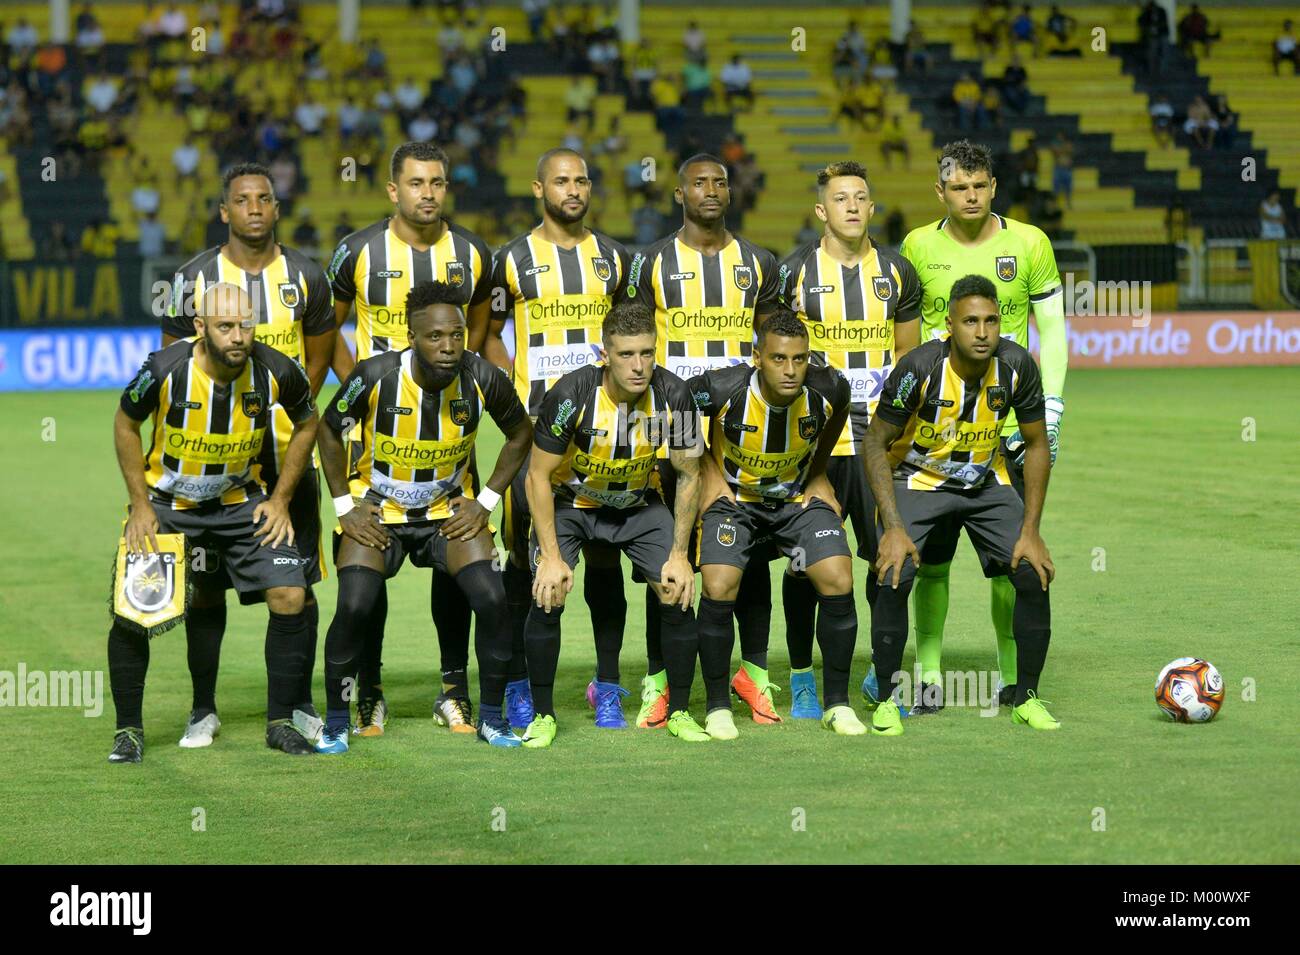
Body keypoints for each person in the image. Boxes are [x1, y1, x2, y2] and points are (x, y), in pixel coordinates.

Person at [886, 140, 1066, 713]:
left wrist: (1053, 406)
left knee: (1012, 560)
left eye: (980, 185)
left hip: (1010, 423)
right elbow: (909, 335)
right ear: (941, 192)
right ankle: (931, 677)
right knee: (931, 562)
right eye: (959, 187)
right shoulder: (917, 244)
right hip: (936, 431)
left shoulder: (1029, 242)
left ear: (994, 187)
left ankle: (1013, 681)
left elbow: (1053, 329)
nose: (971, 196)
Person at [161, 162, 337, 747]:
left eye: (265, 198)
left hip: (288, 458)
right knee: (205, 587)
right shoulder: (192, 278)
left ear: (276, 208)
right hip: (217, 466)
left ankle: (298, 705)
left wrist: (280, 415)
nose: (255, 208)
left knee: (297, 585)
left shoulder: (307, 275)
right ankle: (203, 708)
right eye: (243, 200)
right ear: (224, 211)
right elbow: (173, 372)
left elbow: (314, 364)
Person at [108, 283, 320, 762]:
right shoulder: (163, 369)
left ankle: (281, 722)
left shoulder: (276, 369)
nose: (239, 336)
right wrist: (140, 505)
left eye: (246, 324)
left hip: (239, 503)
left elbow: (308, 421)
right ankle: (128, 731)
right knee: (134, 609)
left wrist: (282, 498)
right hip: (167, 505)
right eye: (226, 326)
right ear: (201, 327)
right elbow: (125, 424)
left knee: (290, 594)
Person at [317, 281, 533, 750]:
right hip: (377, 511)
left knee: (492, 599)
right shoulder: (374, 374)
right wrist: (344, 507)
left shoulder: (483, 376)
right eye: (435, 336)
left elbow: (521, 434)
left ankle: (490, 718)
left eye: (456, 334)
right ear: (412, 337)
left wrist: (487, 501)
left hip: (446, 513)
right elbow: (329, 432)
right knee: (354, 604)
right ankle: (341, 716)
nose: (449, 346)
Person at [326, 141, 496, 736]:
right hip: (376, 432)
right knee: (370, 555)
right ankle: (367, 691)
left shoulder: (473, 253)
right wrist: (357, 385)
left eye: (438, 183)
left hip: (447, 427)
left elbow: (477, 329)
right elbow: (327, 324)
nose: (429, 193)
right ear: (393, 190)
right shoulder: (358, 251)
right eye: (417, 183)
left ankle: (453, 690)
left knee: (455, 553)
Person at [624, 153, 782, 727]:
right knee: (669, 551)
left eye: (719, 182)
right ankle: (660, 681)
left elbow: (773, 340)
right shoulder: (649, 264)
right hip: (672, 421)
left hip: (746, 424)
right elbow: (635, 343)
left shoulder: (759, 263)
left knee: (752, 551)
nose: (710, 191)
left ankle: (754, 676)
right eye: (698, 183)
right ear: (678, 194)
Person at [864, 274, 1059, 736]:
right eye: (971, 321)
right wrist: (892, 527)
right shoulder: (919, 367)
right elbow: (875, 441)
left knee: (1032, 572)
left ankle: (1026, 697)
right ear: (950, 326)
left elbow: (1035, 445)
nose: (982, 331)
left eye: (991, 321)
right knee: (896, 572)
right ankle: (890, 700)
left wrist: (1030, 530)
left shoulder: (1017, 366)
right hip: (917, 480)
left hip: (985, 483)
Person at [484, 148, 634, 730]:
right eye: (560, 181)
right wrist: (518, 397)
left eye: (581, 180)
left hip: (601, 437)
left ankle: (609, 684)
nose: (572, 190)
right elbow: (486, 336)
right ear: (537, 187)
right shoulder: (510, 261)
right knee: (525, 565)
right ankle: (522, 686)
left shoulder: (615, 260)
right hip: (540, 439)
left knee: (603, 563)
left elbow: (629, 336)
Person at [521, 299, 708, 747]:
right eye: (626, 355)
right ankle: (543, 715)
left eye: (647, 353)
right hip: (573, 505)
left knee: (676, 589)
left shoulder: (674, 395)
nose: (638, 365)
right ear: (604, 354)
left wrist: (681, 555)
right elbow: (538, 474)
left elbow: (688, 474)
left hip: (636, 507)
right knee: (549, 591)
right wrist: (549, 556)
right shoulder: (571, 395)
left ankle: (679, 711)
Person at [773, 161, 921, 720]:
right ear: (822, 211)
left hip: (876, 447)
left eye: (861, 197)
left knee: (892, 560)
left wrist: (902, 434)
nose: (853, 207)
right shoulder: (792, 274)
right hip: (814, 447)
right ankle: (804, 677)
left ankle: (883, 681)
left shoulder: (898, 273)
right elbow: (778, 362)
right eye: (841, 199)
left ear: (872, 207)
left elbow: (908, 361)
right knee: (804, 565)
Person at [688, 310, 859, 739]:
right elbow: (676, 409)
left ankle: (837, 704)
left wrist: (819, 471)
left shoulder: (829, 387)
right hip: (735, 503)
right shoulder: (721, 387)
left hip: (796, 501)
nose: (790, 370)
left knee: (838, 576)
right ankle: (717, 707)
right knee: (719, 584)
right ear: (757, 357)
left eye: (799, 359)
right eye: (779, 359)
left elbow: (840, 412)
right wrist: (708, 471)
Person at [1050, 130, 1074, 208]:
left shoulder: (1068, 144)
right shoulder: (1055, 144)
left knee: (1068, 188)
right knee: (1056, 188)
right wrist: (1064, 149)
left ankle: (1068, 203)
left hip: (1067, 169)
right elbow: (1055, 152)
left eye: (1061, 136)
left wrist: (1062, 150)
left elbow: (1070, 150)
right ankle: (1054, 203)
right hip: (1059, 169)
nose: (1059, 137)